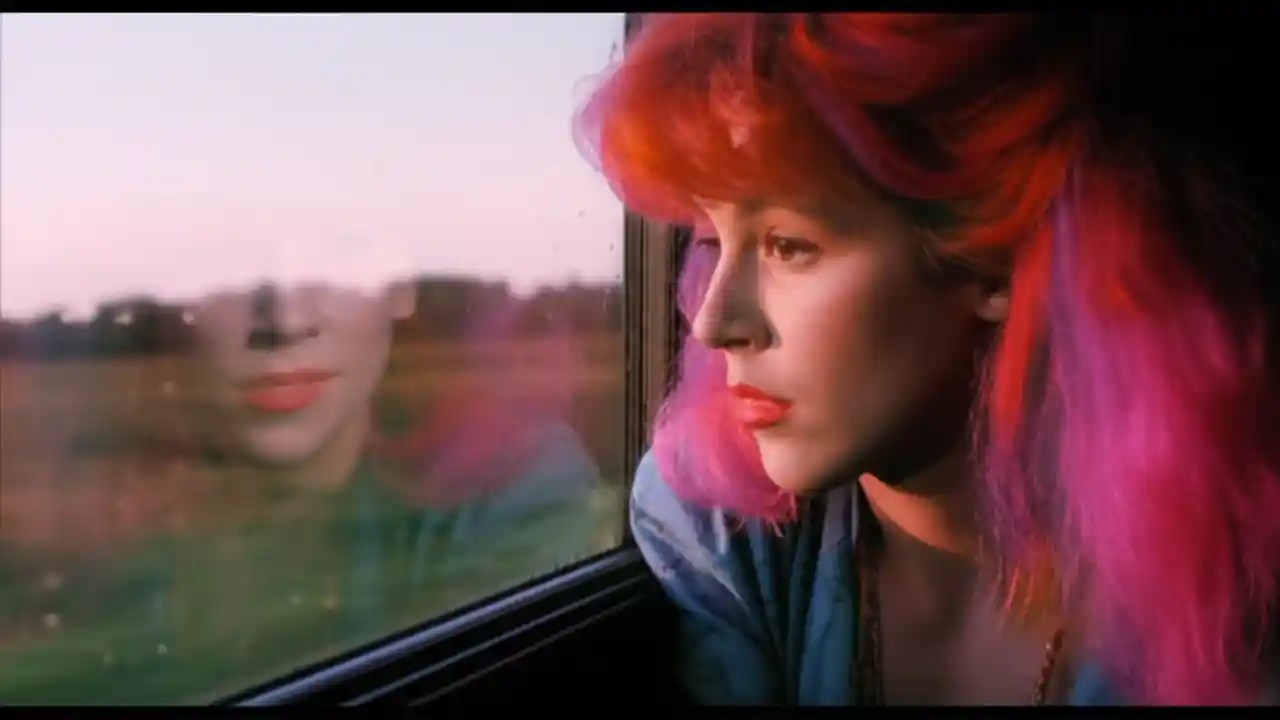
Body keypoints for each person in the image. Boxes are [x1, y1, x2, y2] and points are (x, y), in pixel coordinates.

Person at [573, 13, 1280, 705]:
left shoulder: (1228, 591)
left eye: (789, 245)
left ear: (994, 258)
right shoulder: (721, 532)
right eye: (708, 240)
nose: (712, 322)